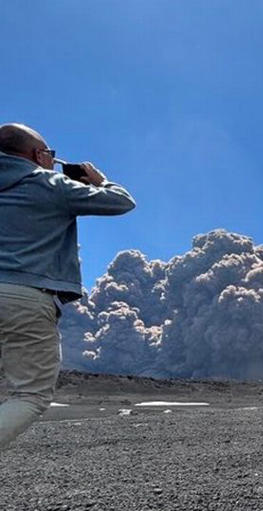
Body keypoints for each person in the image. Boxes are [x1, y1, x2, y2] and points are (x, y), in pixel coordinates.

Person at [0, 123, 135, 449]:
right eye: (50, 154)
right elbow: (121, 202)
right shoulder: (50, 184)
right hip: (24, 297)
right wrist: (99, 180)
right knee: (30, 395)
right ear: (38, 155)